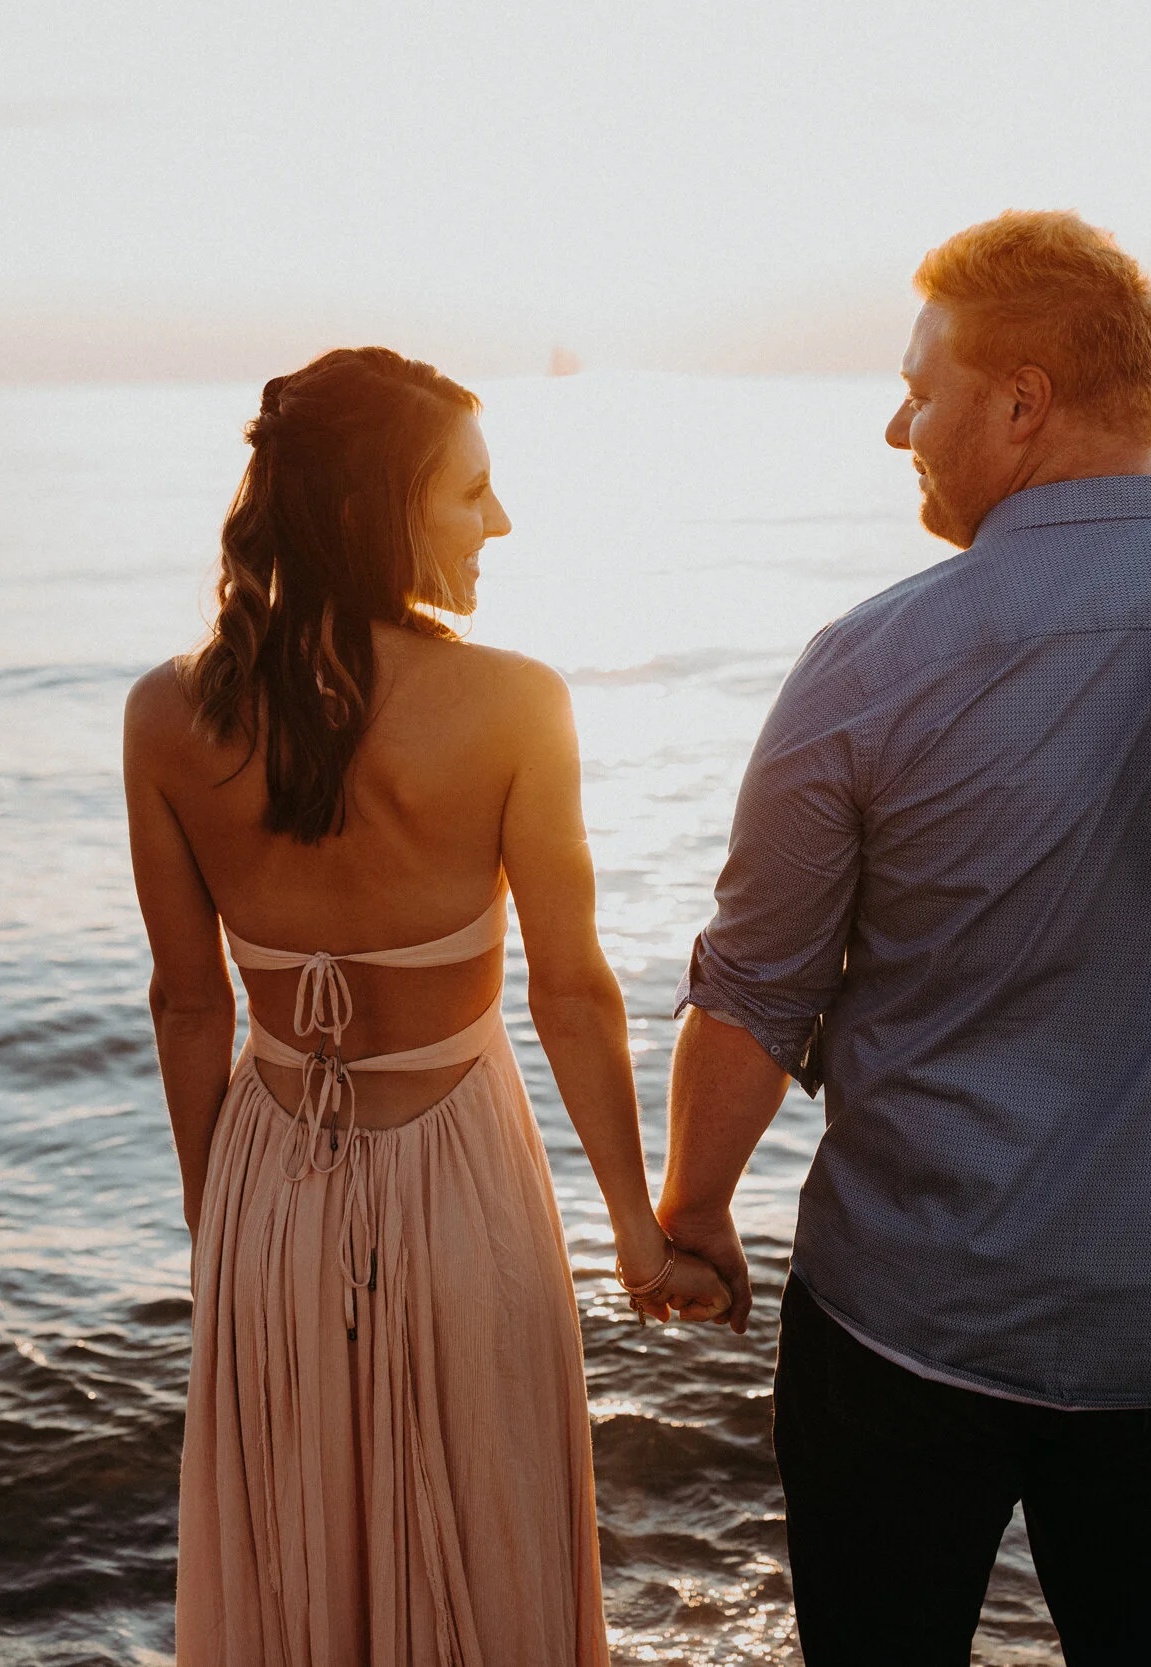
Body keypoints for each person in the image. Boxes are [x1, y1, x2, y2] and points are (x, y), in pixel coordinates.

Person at [656, 212, 1151, 1665]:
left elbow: (755, 997)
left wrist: (694, 1206)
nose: (897, 422)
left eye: (921, 387)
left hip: (902, 1326)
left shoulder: (867, 666)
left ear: (1019, 403)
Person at [124, 347, 730, 1666]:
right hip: (465, 1177)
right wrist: (638, 1225)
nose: (499, 521)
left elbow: (188, 1004)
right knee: (486, 1544)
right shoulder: (516, 703)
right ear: (379, 508)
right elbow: (572, 987)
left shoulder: (167, 715)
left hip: (267, 1193)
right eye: (472, 491)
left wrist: (213, 1225)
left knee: (295, 1565)